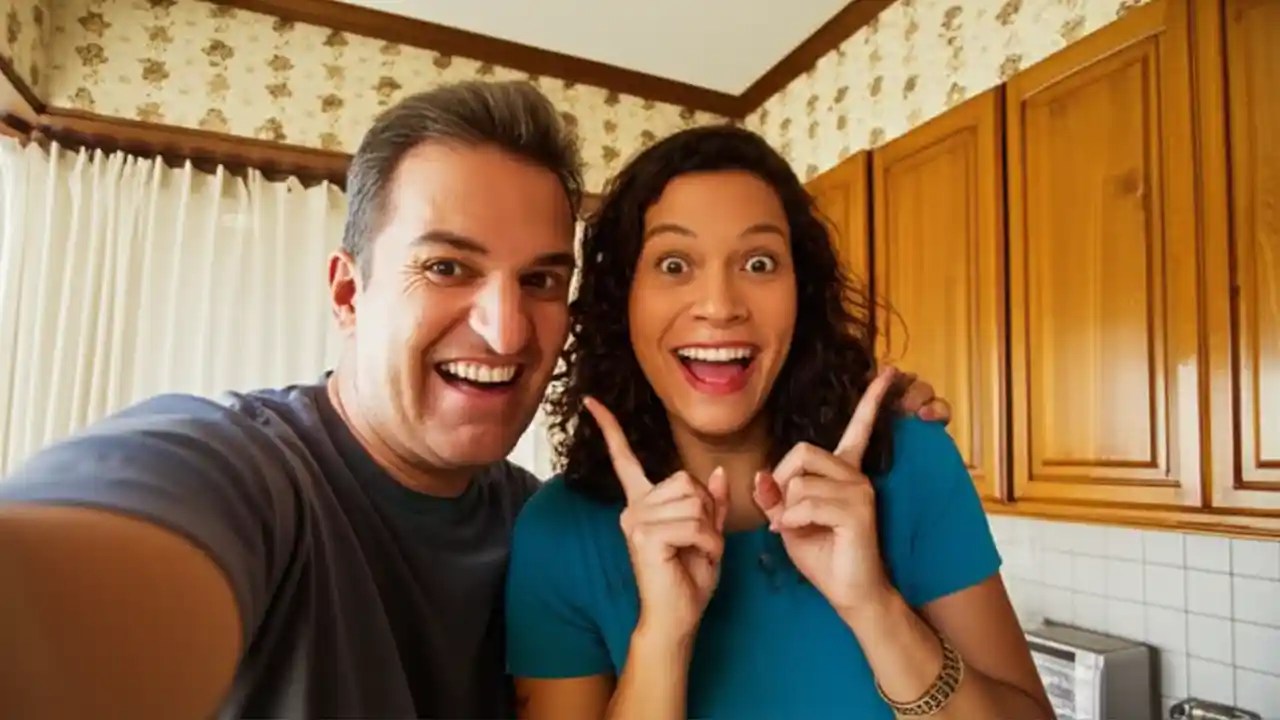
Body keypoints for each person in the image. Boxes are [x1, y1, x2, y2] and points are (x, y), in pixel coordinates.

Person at [0, 82, 949, 719]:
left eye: (541, 280)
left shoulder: (529, 516)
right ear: (347, 293)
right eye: (447, 266)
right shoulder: (240, 472)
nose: (505, 330)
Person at [505, 125, 1054, 719]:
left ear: (803, 293)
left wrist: (873, 605)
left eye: (759, 261)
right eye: (673, 263)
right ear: (622, 302)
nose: (719, 305)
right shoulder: (557, 533)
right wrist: (661, 638)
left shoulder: (910, 465)